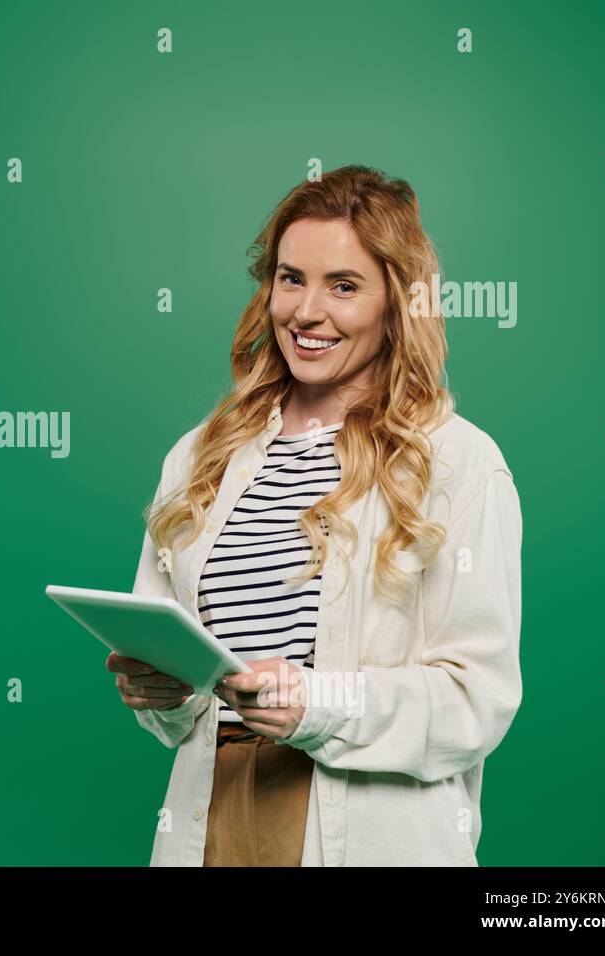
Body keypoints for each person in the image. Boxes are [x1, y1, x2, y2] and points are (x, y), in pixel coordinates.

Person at [106, 165, 523, 866]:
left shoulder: (457, 462)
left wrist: (316, 704)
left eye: (345, 286)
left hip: (373, 834)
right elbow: (177, 707)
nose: (306, 312)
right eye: (291, 278)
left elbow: (475, 701)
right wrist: (162, 692)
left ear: (397, 303)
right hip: (211, 816)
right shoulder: (201, 455)